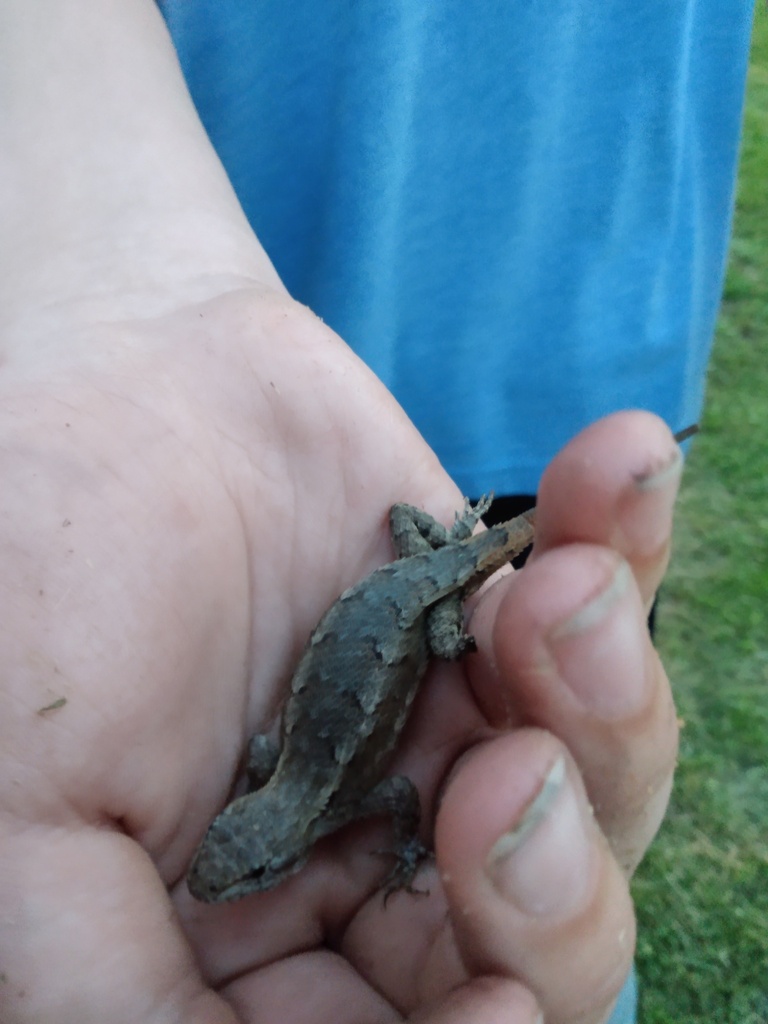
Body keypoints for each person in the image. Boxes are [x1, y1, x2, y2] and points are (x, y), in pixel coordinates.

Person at [0, 3, 748, 1023]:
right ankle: (466, 542)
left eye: (231, 866)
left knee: (499, 661)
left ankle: (473, 547)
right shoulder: (286, 779)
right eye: (231, 868)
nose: (220, 877)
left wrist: (409, 850)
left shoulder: (319, 793)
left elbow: (403, 802)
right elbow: (349, 776)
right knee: (523, 741)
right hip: (363, 476)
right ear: (255, 827)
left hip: (566, 395)